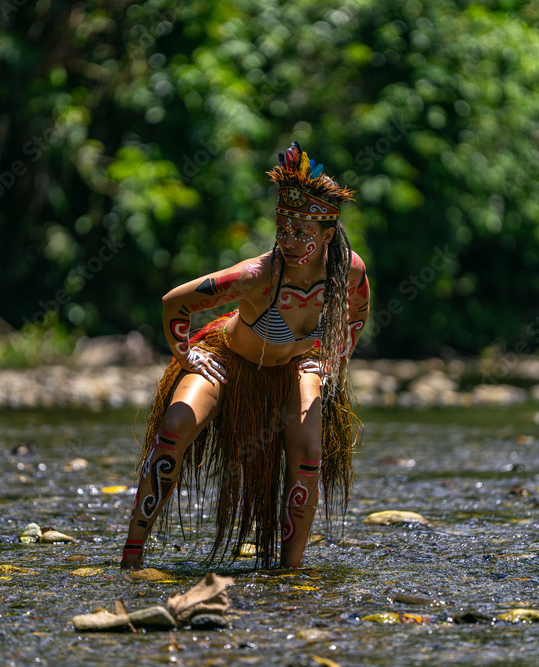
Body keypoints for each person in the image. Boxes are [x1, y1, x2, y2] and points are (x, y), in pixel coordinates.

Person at [120, 141, 370, 569]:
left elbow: (355, 318)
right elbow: (173, 303)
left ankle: (291, 572)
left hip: (293, 365)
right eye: (282, 229)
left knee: (309, 451)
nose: (288, 242)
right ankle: (132, 557)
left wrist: (331, 365)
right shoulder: (256, 275)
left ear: (328, 235)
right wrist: (186, 358)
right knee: (175, 426)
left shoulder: (349, 270)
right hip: (230, 359)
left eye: (301, 234)